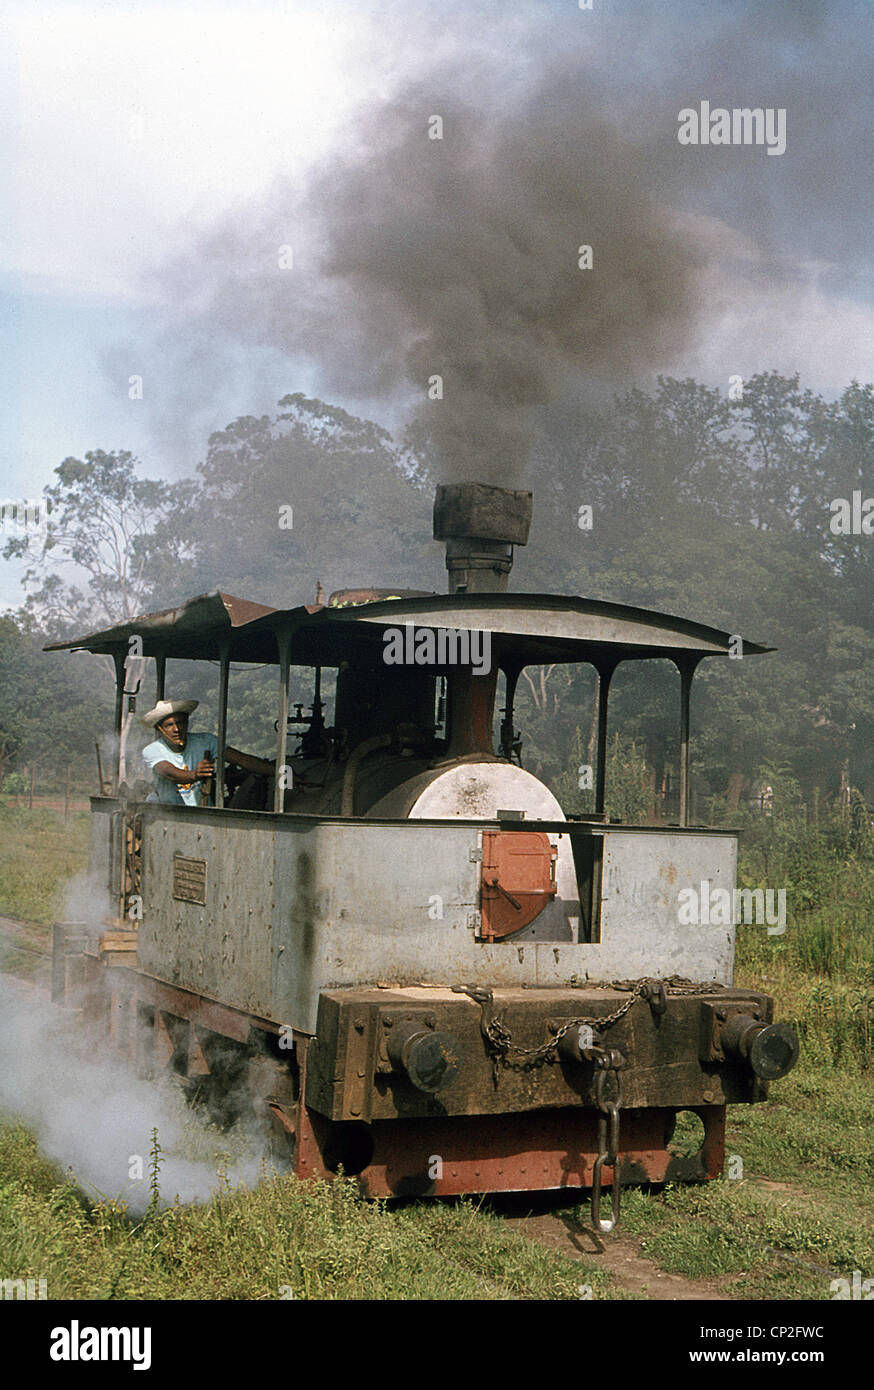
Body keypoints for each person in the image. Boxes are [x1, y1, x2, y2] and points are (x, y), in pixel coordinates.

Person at [141, 699, 272, 806]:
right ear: (160, 729)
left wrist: (279, 772)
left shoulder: (206, 741)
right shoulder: (152, 750)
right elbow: (168, 772)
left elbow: (242, 760)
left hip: (203, 814)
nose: (176, 729)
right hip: (171, 816)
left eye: (180, 723)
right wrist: (195, 775)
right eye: (169, 725)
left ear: (187, 723)